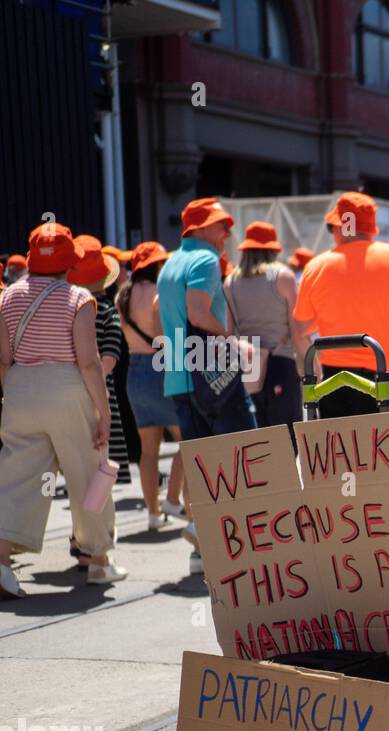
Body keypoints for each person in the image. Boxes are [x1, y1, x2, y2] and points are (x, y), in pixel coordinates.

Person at [0, 223, 126, 596]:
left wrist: (17, 394)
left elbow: (4, 359)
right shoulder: (78, 299)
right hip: (69, 388)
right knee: (88, 473)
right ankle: (99, 560)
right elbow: (89, 362)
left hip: (20, 387)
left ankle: (2, 563)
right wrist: (102, 413)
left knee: (16, 478)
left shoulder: (7, 298)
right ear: (70, 261)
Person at [293, 192, 389, 483]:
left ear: (339, 227)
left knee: (342, 460)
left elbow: (300, 330)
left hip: (335, 380)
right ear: (371, 225)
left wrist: (310, 374)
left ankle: (351, 519)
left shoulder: (316, 268)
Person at [158, 197, 255, 575]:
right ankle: (242, 549)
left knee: (200, 464)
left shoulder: (170, 264)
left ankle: (202, 552)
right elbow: (199, 313)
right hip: (214, 377)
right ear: (198, 228)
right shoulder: (204, 260)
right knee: (240, 459)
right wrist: (233, 342)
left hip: (180, 376)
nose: (227, 232)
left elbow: (160, 318)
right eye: (221, 225)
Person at [118, 240, 185, 530]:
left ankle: (153, 514)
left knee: (148, 450)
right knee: (189, 440)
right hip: (161, 368)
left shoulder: (123, 295)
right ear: (155, 265)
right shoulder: (158, 293)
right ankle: (172, 498)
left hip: (135, 373)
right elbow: (163, 338)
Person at [226, 221, 308, 435]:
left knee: (259, 441)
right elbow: (297, 331)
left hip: (248, 368)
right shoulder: (283, 277)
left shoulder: (230, 282)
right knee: (287, 440)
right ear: (273, 249)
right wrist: (312, 367)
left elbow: (228, 333)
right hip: (281, 363)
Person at [67, 236, 132, 494]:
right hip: (98, 390)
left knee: (78, 466)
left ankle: (80, 529)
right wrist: (92, 383)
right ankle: (100, 527)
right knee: (102, 466)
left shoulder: (70, 306)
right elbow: (110, 357)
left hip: (68, 388)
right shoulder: (106, 310)